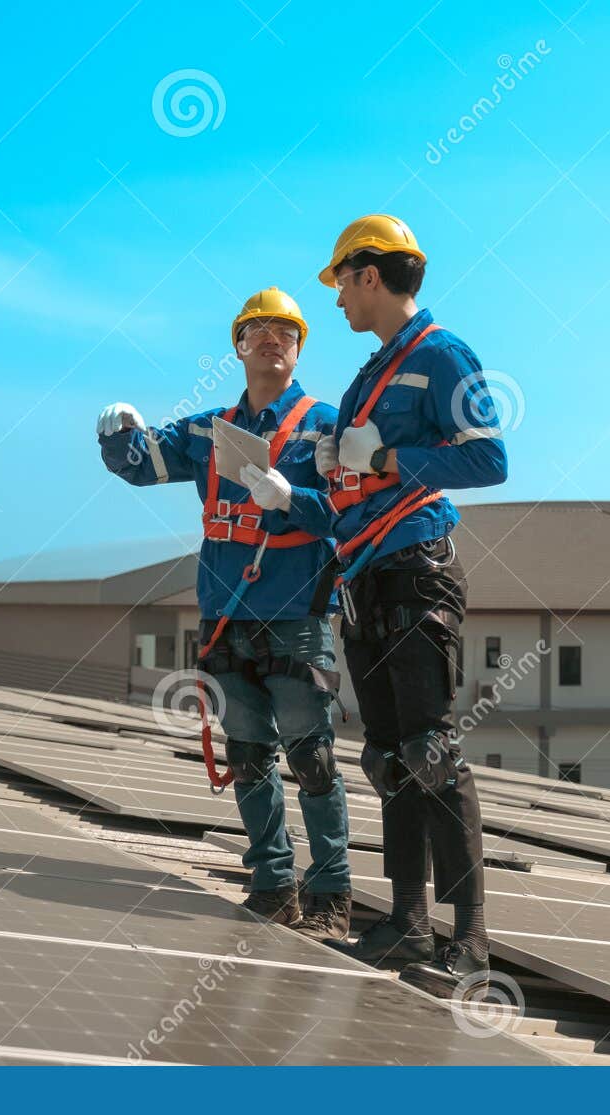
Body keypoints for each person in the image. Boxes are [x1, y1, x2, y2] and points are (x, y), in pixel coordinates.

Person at [96, 287, 352, 940]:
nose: (272, 339)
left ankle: (330, 893)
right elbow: (142, 466)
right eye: (258, 330)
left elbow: (352, 512)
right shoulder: (209, 431)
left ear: (299, 349)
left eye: (285, 332)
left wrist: (294, 497)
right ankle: (272, 885)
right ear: (238, 346)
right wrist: (116, 437)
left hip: (297, 618)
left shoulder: (328, 426)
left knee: (313, 758)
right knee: (249, 757)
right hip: (227, 622)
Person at [314, 215, 507, 995]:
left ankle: (470, 939)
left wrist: (390, 455)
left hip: (418, 571)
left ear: (369, 274)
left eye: (340, 285)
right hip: (366, 577)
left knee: (431, 751)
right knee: (390, 758)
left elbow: (489, 458)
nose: (337, 304)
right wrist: (334, 462)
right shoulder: (367, 378)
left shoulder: (442, 355)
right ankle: (406, 924)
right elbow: (358, 475)